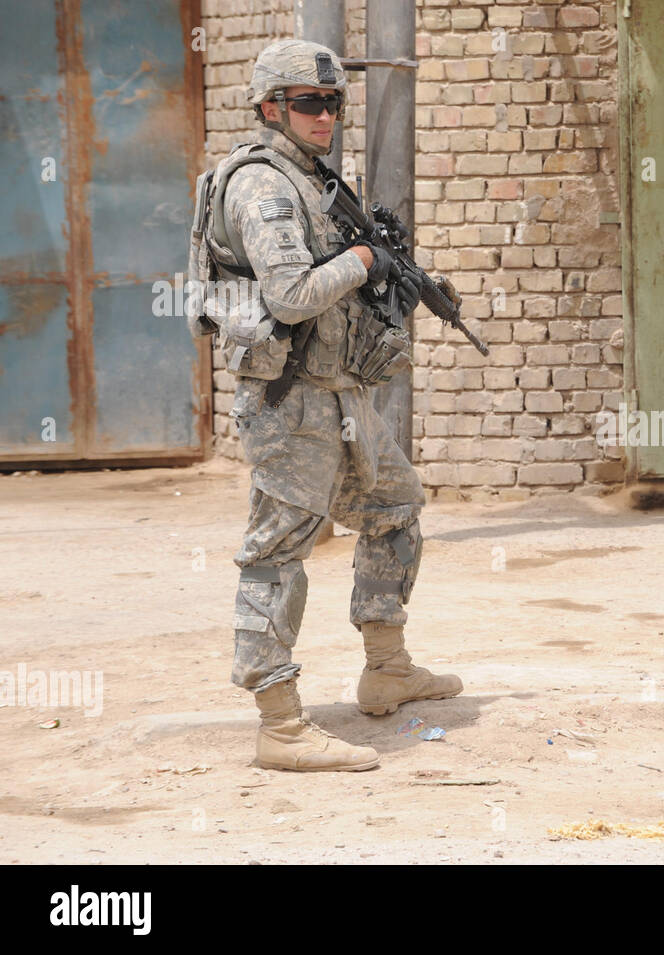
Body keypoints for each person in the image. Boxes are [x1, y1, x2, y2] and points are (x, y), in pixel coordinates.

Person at [194, 39, 462, 772]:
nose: (326, 116)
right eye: (310, 103)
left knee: (396, 505)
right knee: (278, 551)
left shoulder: (314, 182)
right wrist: (365, 261)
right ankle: (279, 725)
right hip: (288, 403)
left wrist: (397, 276)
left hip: (338, 395)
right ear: (271, 108)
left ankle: (387, 665)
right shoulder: (263, 187)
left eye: (335, 102)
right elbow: (290, 294)